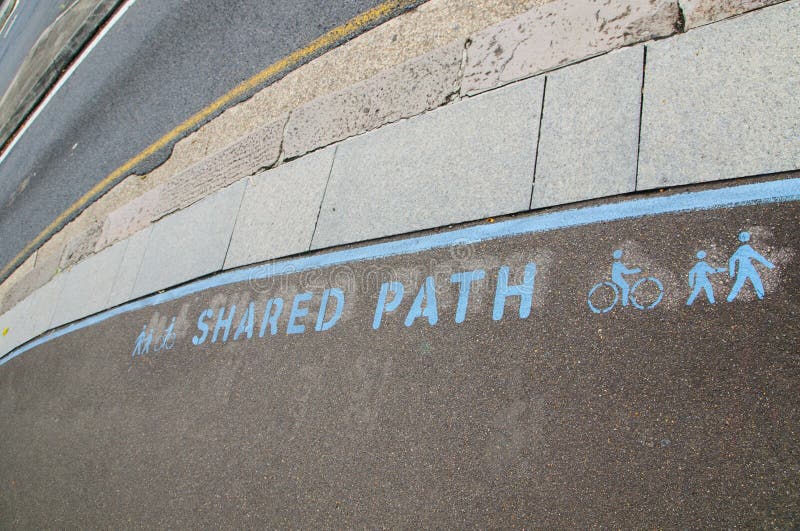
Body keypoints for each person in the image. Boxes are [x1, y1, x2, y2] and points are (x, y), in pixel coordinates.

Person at [727, 231, 774, 302]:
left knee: (739, 283)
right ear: (748, 239)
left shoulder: (740, 250)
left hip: (742, 268)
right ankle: (761, 296)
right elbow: (759, 257)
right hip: (749, 267)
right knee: (756, 281)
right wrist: (770, 265)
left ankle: (730, 298)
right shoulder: (748, 249)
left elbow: (731, 260)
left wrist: (732, 273)